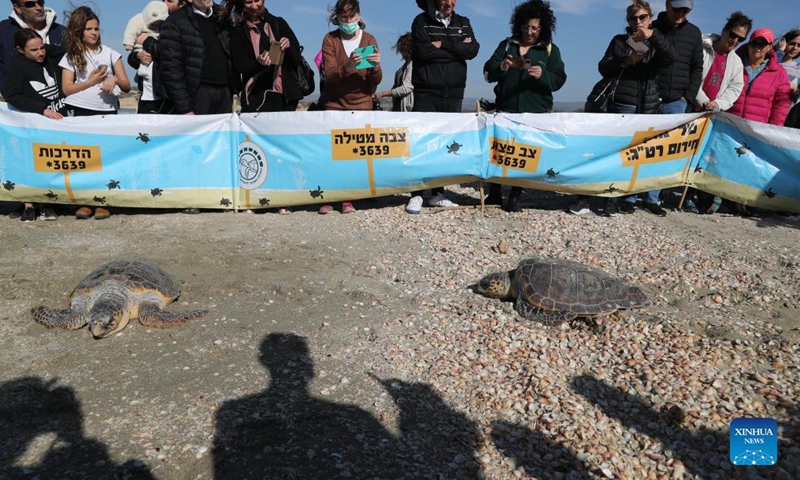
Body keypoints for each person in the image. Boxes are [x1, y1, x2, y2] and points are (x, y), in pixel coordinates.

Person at [569, 0, 674, 217]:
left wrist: (652, 36)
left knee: (628, 157)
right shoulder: (619, 41)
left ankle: (612, 200)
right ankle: (585, 197)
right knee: (604, 151)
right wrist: (626, 61)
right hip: (619, 103)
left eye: (642, 17)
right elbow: (603, 66)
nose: (638, 22)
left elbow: (671, 58)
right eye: (633, 18)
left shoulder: (658, 41)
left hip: (645, 107)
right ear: (627, 21)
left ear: (650, 19)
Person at [483, 0, 566, 213]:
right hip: (505, 108)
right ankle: (494, 191)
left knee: (525, 154)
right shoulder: (507, 45)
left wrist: (543, 75)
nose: (529, 32)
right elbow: (487, 72)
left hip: (535, 112)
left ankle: (515, 195)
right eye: (525, 27)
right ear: (518, 25)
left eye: (534, 28)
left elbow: (558, 80)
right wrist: (501, 66)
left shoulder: (550, 50)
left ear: (542, 28)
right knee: (499, 151)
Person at [627, 0, 702, 216]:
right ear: (667, 5)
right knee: (639, 148)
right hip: (647, 96)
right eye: (676, 8)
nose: (680, 13)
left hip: (676, 101)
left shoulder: (694, 33)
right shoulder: (649, 25)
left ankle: (652, 198)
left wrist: (686, 97)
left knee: (663, 153)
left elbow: (697, 68)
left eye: (685, 10)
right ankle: (630, 196)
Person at [406, 0, 479, 214]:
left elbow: (473, 50)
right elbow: (422, 52)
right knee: (422, 141)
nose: (449, 2)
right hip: (427, 91)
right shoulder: (421, 21)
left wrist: (443, 43)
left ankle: (438, 193)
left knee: (445, 144)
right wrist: (458, 47)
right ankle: (416, 194)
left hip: (454, 92)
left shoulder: (463, 22)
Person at [59, 6, 130, 220]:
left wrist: (113, 79)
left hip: (107, 111)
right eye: (89, 28)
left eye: (97, 28)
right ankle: (85, 202)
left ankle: (103, 201)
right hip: (79, 111)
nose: (94, 33)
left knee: (106, 158)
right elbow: (67, 89)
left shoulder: (110, 53)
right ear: (79, 30)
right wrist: (90, 81)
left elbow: (127, 85)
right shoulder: (71, 55)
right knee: (84, 158)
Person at [317, 0, 381, 215]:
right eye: (344, 18)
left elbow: (375, 81)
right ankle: (327, 197)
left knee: (354, 153)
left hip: (362, 104)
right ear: (337, 18)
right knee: (331, 153)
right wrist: (348, 67)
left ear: (359, 16)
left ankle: (347, 199)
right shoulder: (330, 39)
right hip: (334, 103)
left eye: (352, 17)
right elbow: (331, 76)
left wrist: (376, 67)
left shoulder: (369, 39)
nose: (349, 22)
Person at [690, 11, 751, 214]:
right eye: (733, 34)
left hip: (713, 113)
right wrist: (702, 99)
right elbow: (692, 74)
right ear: (724, 30)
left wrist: (718, 103)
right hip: (692, 105)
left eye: (741, 39)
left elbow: (735, 88)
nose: (735, 40)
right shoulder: (702, 45)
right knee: (683, 150)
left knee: (702, 156)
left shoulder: (735, 62)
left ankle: (691, 195)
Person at [3, 28, 65, 221]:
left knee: (51, 163)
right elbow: (12, 95)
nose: (40, 53)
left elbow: (63, 51)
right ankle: (29, 204)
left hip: (55, 123)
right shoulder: (14, 66)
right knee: (29, 163)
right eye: (34, 50)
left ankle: (48, 203)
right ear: (20, 50)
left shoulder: (50, 57)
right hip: (30, 124)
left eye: (42, 48)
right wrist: (41, 109)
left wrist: (46, 47)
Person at [158, 0, 236, 115]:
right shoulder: (175, 22)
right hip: (198, 95)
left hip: (225, 93)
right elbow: (172, 70)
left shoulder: (223, 17)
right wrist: (185, 108)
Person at [226, 0, 304, 113]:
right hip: (254, 97)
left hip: (285, 98)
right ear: (242, 4)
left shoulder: (278, 23)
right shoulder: (238, 32)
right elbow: (240, 66)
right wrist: (259, 63)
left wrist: (288, 47)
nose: (254, 6)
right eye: (248, 2)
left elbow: (296, 60)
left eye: (257, 1)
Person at [728, 28, 791, 126]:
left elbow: (782, 102)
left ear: (769, 47)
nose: (757, 48)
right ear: (748, 45)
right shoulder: (733, 63)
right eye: (754, 43)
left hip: (756, 131)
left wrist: (774, 128)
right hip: (727, 125)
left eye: (762, 44)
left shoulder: (779, 72)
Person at [0, 0, 65, 94]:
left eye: (40, 2)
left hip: (58, 103)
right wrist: (10, 94)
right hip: (18, 104)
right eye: (30, 4)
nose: (39, 8)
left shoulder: (62, 32)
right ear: (18, 8)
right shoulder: (4, 31)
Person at [122, 1, 168, 114]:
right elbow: (131, 60)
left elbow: (166, 54)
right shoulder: (140, 23)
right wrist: (137, 56)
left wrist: (146, 40)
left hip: (164, 96)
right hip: (145, 96)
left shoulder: (170, 28)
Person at [374, 32, 414, 112]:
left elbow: (406, 88)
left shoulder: (413, 65)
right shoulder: (404, 67)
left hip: (408, 110)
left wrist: (383, 94)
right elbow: (395, 88)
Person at [774, 29, 800, 106]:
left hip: (786, 111)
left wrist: (796, 90)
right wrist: (779, 51)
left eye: (799, 45)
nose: (795, 48)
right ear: (784, 43)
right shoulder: (773, 61)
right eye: (792, 43)